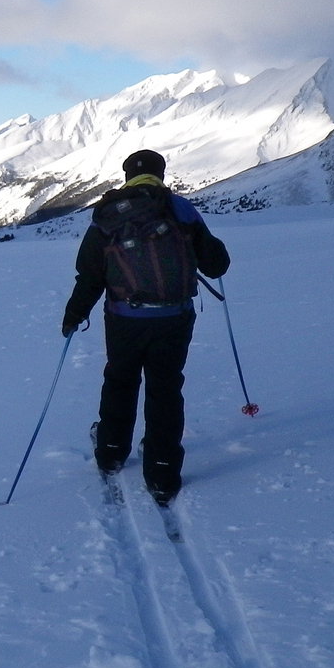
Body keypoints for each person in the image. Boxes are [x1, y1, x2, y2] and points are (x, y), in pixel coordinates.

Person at [61, 149, 229, 505]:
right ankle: (163, 472)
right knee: (165, 389)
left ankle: (110, 452)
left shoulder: (108, 215)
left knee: (120, 380)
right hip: (174, 317)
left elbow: (90, 274)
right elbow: (216, 265)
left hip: (124, 317)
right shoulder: (181, 209)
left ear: (127, 177)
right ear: (161, 174)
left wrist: (74, 314)